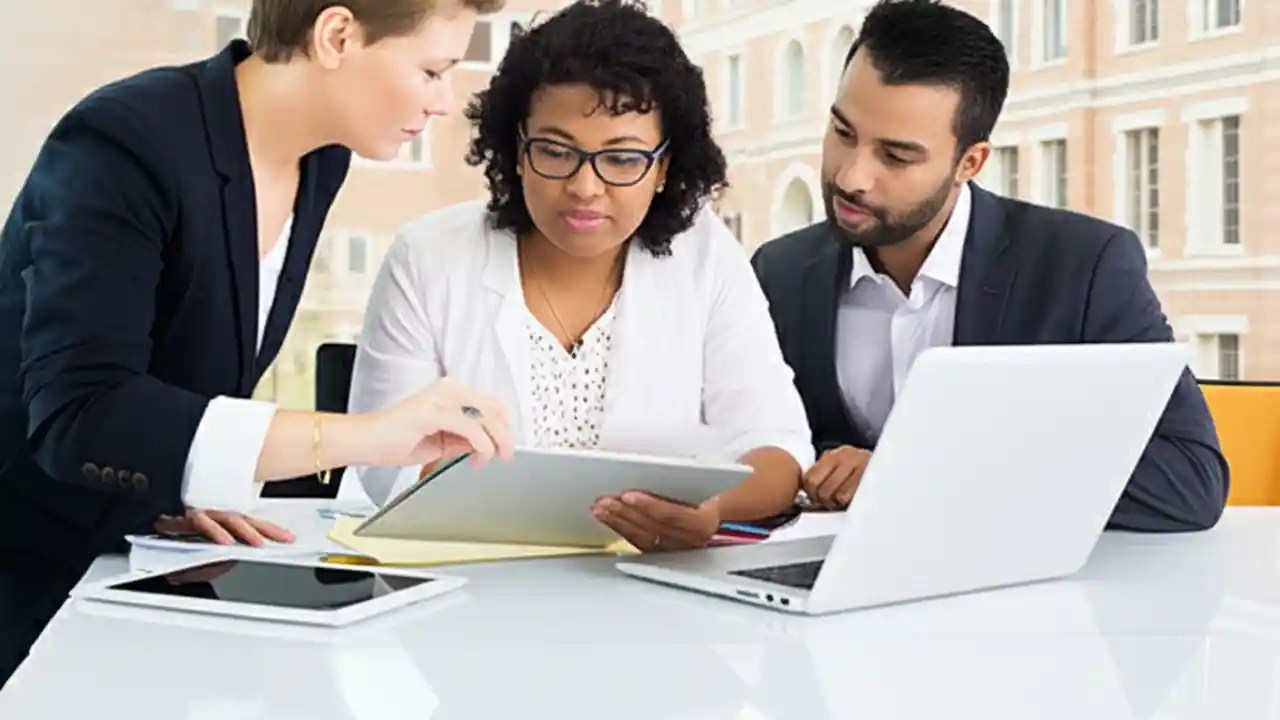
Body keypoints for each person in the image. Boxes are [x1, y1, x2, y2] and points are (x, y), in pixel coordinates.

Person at [0, 0, 517, 688]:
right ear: (337, 35)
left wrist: (180, 472)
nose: (446, 100)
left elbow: (180, 367)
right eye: (431, 70)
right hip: (20, 557)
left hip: (133, 566)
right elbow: (81, 414)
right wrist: (368, 436)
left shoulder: (322, 157)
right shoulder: (124, 141)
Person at [349, 0, 813, 552]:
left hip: (657, 593)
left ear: (664, 167)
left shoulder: (706, 255)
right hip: (472, 587)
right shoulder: (426, 258)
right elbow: (383, 465)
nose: (585, 187)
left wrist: (713, 511)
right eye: (556, 151)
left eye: (622, 159)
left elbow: (778, 450)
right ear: (516, 150)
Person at [751, 0, 1228, 531]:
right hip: (812, 592)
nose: (851, 176)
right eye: (843, 133)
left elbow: (1189, 480)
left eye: (896, 156)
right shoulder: (780, 272)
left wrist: (914, 472)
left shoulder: (1085, 267)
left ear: (970, 163)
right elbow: (750, 443)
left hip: (1017, 601)